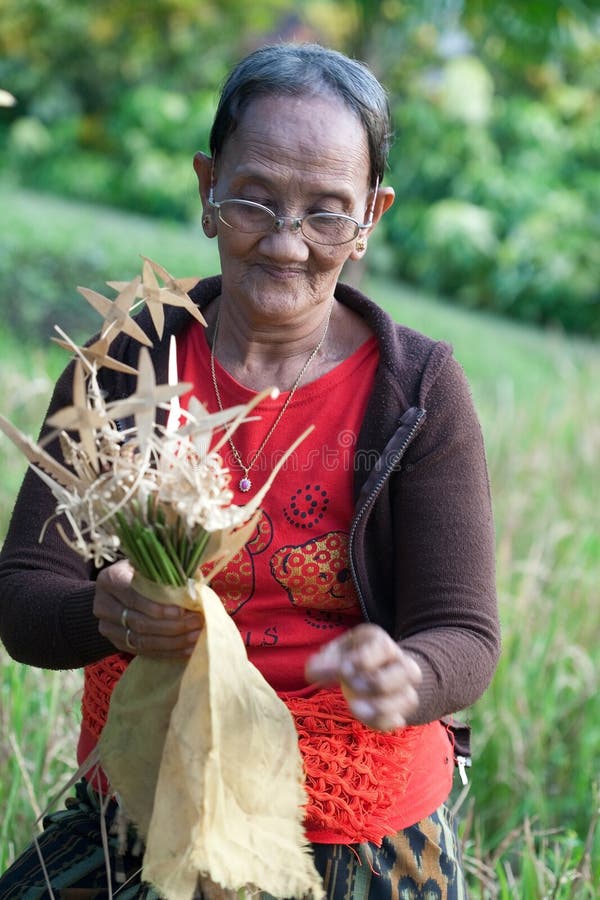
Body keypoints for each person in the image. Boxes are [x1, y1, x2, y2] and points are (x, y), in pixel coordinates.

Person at [0, 43, 499, 899]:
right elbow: (21, 594)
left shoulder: (417, 390)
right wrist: (102, 612)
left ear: (371, 217)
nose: (286, 243)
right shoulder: (122, 367)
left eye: (327, 213)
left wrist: (407, 675)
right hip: (158, 785)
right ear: (206, 190)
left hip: (349, 814)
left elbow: (466, 636)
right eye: (254, 201)